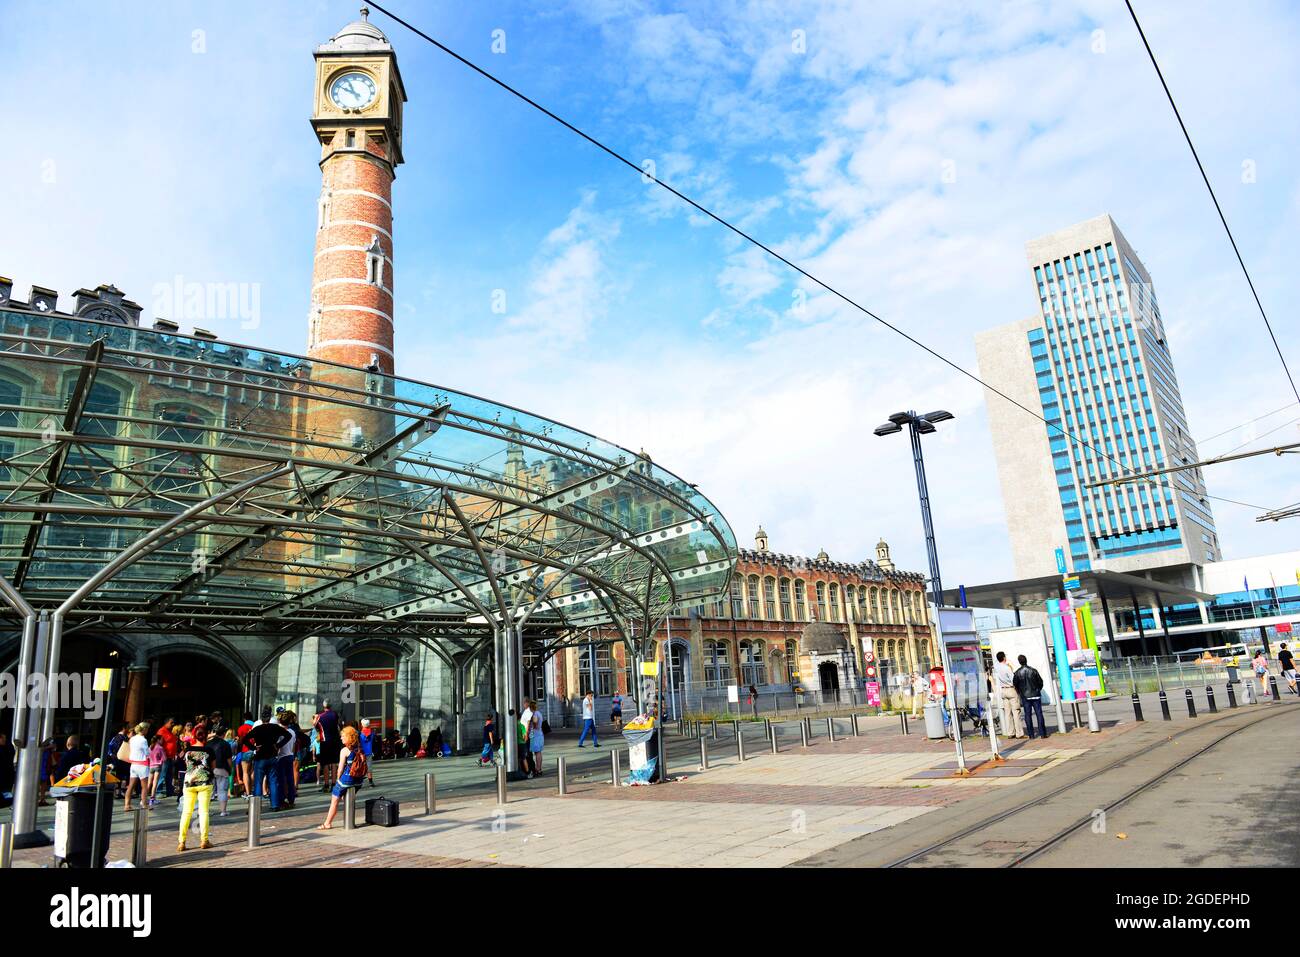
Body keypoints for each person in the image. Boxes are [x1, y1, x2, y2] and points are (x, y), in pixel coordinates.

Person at [246, 706, 292, 812]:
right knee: (273, 781)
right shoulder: (275, 727)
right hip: (272, 756)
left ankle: (256, 806)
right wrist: (278, 745)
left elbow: (245, 739)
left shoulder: (257, 729)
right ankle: (275, 805)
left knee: (258, 782)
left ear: (261, 719)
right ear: (270, 718)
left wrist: (254, 747)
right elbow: (288, 735)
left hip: (260, 757)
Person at [319, 726, 366, 830]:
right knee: (347, 797)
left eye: (343, 736)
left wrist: (337, 780)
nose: (341, 738)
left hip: (347, 780)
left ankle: (327, 823)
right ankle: (349, 820)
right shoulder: (360, 748)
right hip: (358, 781)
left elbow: (340, 769)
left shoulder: (344, 750)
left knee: (335, 800)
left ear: (349, 737)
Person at [177, 726, 215, 851]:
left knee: (186, 812)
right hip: (205, 782)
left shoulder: (188, 750)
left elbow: (186, 765)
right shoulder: (209, 750)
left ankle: (181, 842)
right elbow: (213, 767)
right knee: (204, 812)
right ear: (205, 736)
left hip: (189, 782)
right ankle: (204, 840)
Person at [1013, 654, 1048, 740]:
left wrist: (1021, 692)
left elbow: (1015, 684)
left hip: (1025, 696)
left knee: (1027, 715)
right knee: (1039, 714)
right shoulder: (1033, 670)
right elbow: (1040, 682)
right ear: (1026, 660)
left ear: (1019, 662)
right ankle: (1043, 734)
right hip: (1035, 695)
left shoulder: (1017, 673)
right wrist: (1037, 689)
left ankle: (1031, 735)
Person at [993, 652, 1025, 739]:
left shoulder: (996, 667)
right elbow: (1013, 680)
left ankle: (1010, 733)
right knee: (1016, 711)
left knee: (1007, 713)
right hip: (1011, 689)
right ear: (1004, 658)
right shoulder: (1007, 668)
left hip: (1003, 690)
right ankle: (1019, 733)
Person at [313, 699, 342, 792]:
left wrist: (315, 718)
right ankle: (334, 784)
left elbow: (315, 726)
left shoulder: (320, 716)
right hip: (335, 741)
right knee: (334, 763)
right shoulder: (335, 714)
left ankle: (326, 785)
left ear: (323, 706)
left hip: (325, 741)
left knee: (325, 764)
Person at [205, 723, 233, 817]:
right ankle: (223, 811)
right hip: (222, 769)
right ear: (224, 733)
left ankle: (206, 811)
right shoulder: (225, 744)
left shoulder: (208, 744)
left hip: (210, 769)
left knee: (209, 791)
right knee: (222, 790)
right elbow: (229, 759)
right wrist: (230, 769)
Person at [123, 723, 151, 812]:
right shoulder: (143, 740)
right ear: (144, 729)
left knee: (131, 785)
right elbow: (147, 753)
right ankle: (144, 804)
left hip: (133, 764)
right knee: (144, 786)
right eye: (147, 729)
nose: (148, 730)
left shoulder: (132, 739)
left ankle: (127, 805)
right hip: (142, 764)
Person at [106, 723, 130, 798]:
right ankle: (119, 792)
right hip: (120, 759)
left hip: (117, 759)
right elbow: (118, 749)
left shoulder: (116, 737)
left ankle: (119, 792)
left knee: (119, 776)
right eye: (128, 727)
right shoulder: (121, 738)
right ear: (124, 728)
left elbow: (110, 748)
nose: (128, 729)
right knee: (121, 776)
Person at [156, 718, 179, 798]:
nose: (173, 724)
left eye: (174, 723)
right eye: (171, 722)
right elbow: (159, 744)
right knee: (162, 774)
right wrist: (162, 755)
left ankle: (170, 791)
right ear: (166, 723)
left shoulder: (170, 732)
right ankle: (158, 791)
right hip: (164, 757)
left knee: (169, 775)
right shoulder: (161, 731)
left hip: (170, 757)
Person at [146, 734, 165, 806]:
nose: (162, 741)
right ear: (158, 740)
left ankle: (144, 799)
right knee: (155, 783)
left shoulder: (150, 747)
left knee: (149, 783)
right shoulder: (160, 748)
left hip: (151, 766)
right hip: (158, 766)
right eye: (161, 739)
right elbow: (164, 758)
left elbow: (147, 757)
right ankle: (152, 799)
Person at [358, 719, 378, 786]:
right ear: (369, 724)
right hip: (369, 752)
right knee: (369, 767)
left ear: (362, 725)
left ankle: (359, 781)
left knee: (360, 766)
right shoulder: (372, 733)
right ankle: (370, 782)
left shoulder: (360, 733)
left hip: (361, 752)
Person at [0, 731, 15, 802]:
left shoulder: (8, 747)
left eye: (4, 738)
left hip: (7, 773)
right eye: (3, 738)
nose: (4, 740)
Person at [528, 710, 544, 776]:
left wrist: (530, 725)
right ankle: (539, 769)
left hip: (535, 735)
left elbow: (535, 724)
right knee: (538, 752)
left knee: (537, 752)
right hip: (539, 734)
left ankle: (537, 769)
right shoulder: (539, 713)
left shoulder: (535, 714)